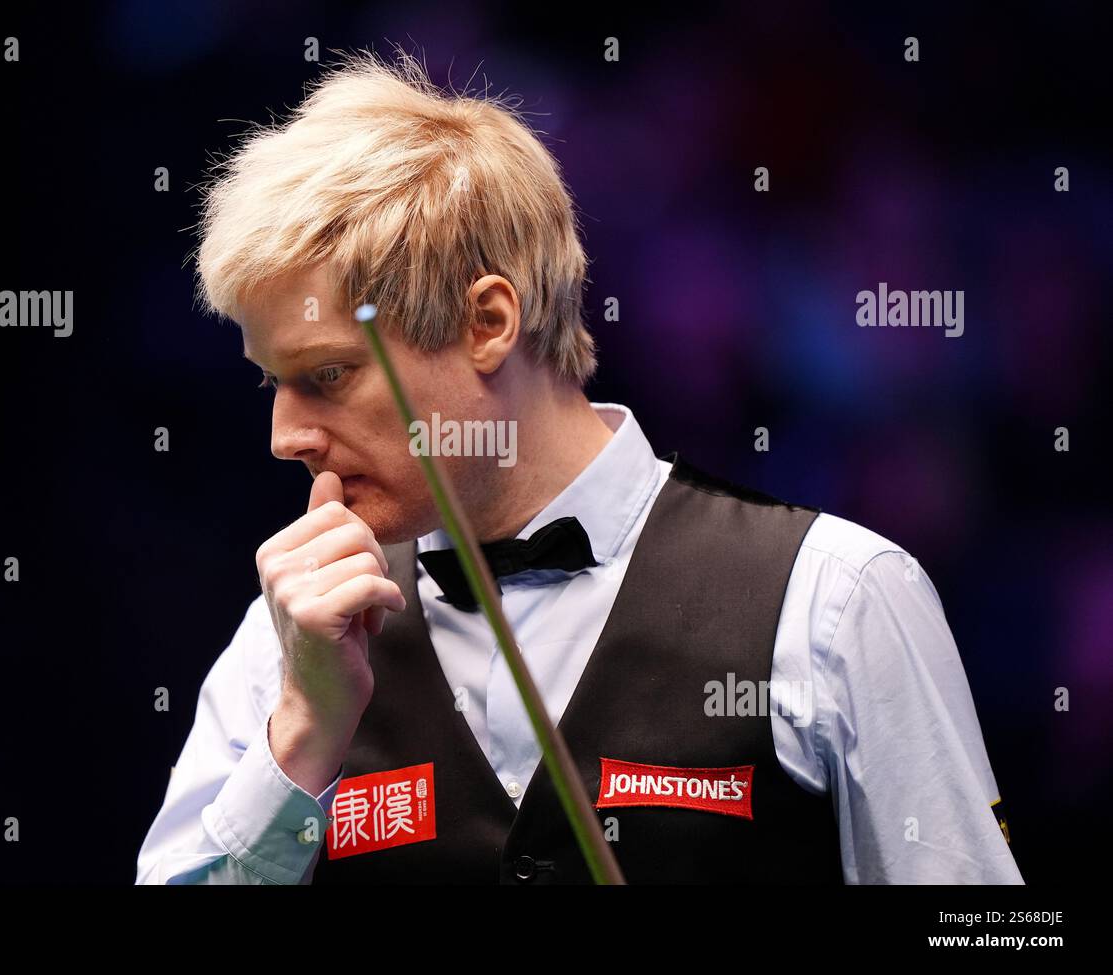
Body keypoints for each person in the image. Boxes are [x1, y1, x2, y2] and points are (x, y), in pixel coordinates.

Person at [135, 48, 1022, 884]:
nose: (286, 435)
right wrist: (300, 735)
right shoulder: (291, 639)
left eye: (328, 374)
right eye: (273, 383)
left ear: (488, 321)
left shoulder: (839, 597)